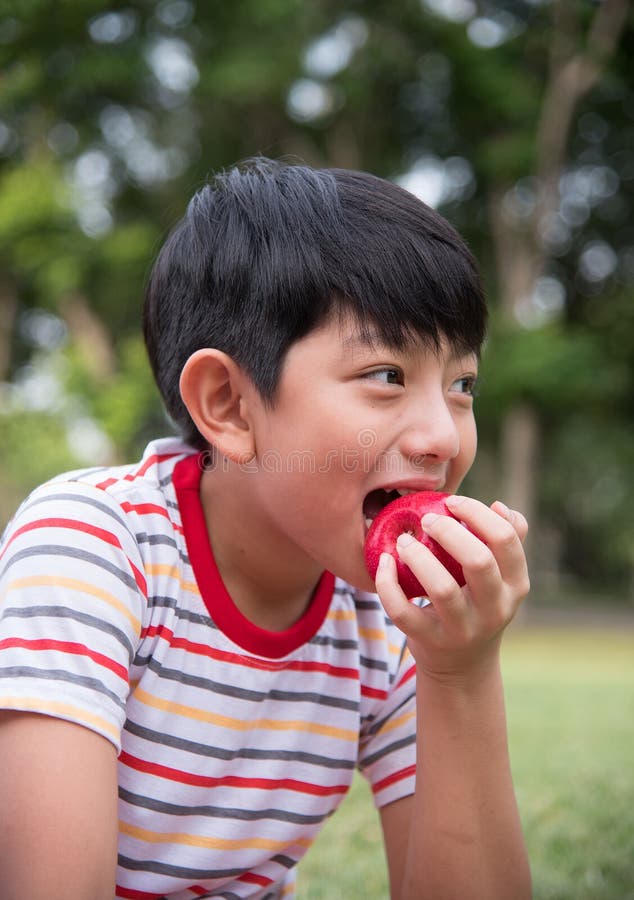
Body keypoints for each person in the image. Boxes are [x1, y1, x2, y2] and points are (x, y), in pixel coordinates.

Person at [0, 158, 531, 900]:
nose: (443, 436)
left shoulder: (391, 618)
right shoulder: (93, 549)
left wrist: (462, 671)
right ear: (229, 406)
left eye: (462, 384)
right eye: (386, 376)